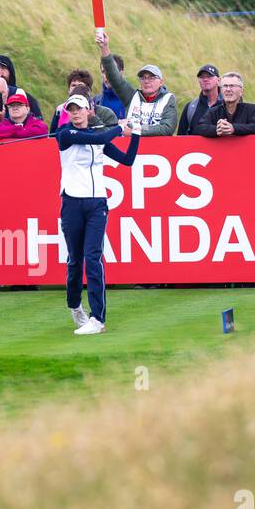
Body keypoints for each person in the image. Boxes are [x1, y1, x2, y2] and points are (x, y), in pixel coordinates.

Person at [56, 93, 140, 335]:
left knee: (93, 258)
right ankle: (74, 305)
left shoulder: (97, 137)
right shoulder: (65, 134)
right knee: (75, 260)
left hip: (97, 204)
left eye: (79, 109)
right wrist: (119, 128)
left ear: (88, 111)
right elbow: (101, 136)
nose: (75, 113)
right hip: (71, 202)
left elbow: (128, 160)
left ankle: (97, 319)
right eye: (71, 109)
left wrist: (136, 135)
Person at [96, 30, 177, 135]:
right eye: (143, 78)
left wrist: (135, 129)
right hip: (132, 149)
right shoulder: (132, 96)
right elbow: (114, 77)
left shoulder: (168, 99)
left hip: (157, 150)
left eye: (151, 78)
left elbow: (167, 128)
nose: (147, 81)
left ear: (161, 82)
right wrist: (104, 48)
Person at [192, 72, 255, 137]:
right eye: (225, 86)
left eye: (232, 86)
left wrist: (233, 128)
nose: (228, 89)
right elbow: (198, 128)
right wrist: (217, 129)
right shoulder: (214, 111)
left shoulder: (251, 109)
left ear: (241, 91)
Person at [176, 64, 223, 135]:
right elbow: (181, 137)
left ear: (218, 80)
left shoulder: (228, 104)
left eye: (209, 76)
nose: (205, 79)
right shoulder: (191, 107)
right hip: (195, 146)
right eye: (202, 77)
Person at [97, 54, 126, 121]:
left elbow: (145, 127)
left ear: (121, 73)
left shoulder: (134, 99)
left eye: (111, 71)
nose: (107, 75)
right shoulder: (96, 101)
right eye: (104, 71)